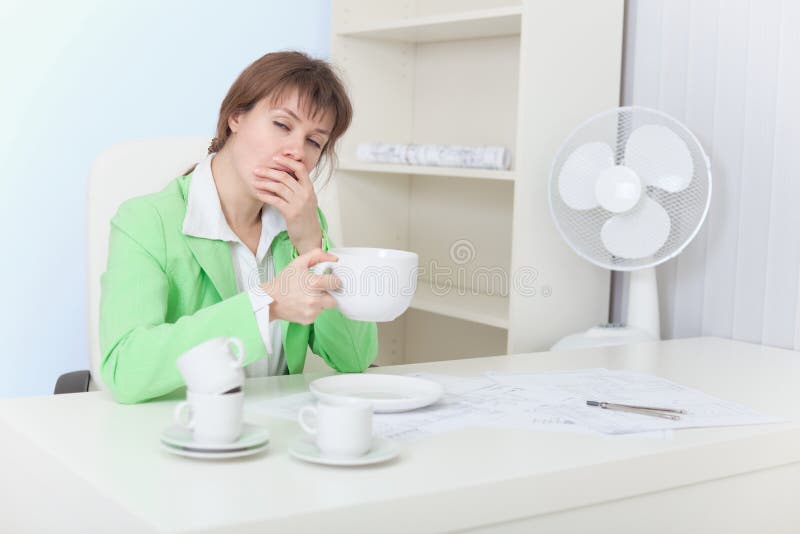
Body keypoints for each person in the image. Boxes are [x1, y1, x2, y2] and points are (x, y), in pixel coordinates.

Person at [99, 51, 378, 404]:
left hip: (275, 436)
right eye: (282, 125)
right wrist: (267, 303)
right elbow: (125, 369)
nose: (295, 151)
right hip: (185, 433)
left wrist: (312, 244)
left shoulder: (304, 226)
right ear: (236, 117)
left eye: (313, 141)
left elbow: (354, 360)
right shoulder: (146, 221)